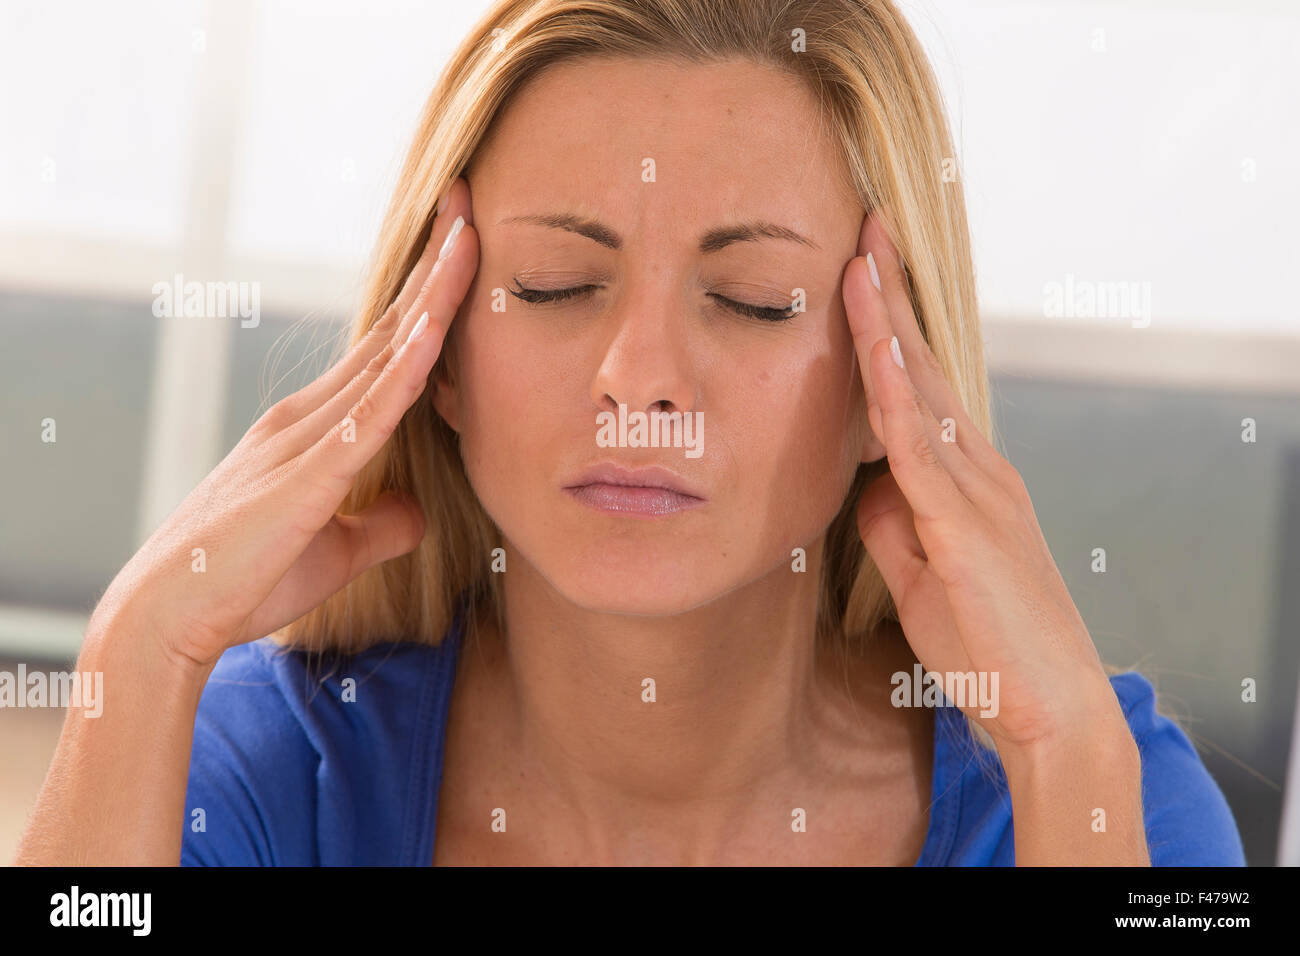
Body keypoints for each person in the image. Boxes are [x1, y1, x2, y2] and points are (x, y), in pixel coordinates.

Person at [16, 0, 1245, 866]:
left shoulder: (1097, 774)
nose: (639, 382)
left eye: (754, 301)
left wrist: (1065, 764)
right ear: (437, 355)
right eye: (553, 285)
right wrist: (138, 654)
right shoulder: (268, 765)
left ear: (894, 385)